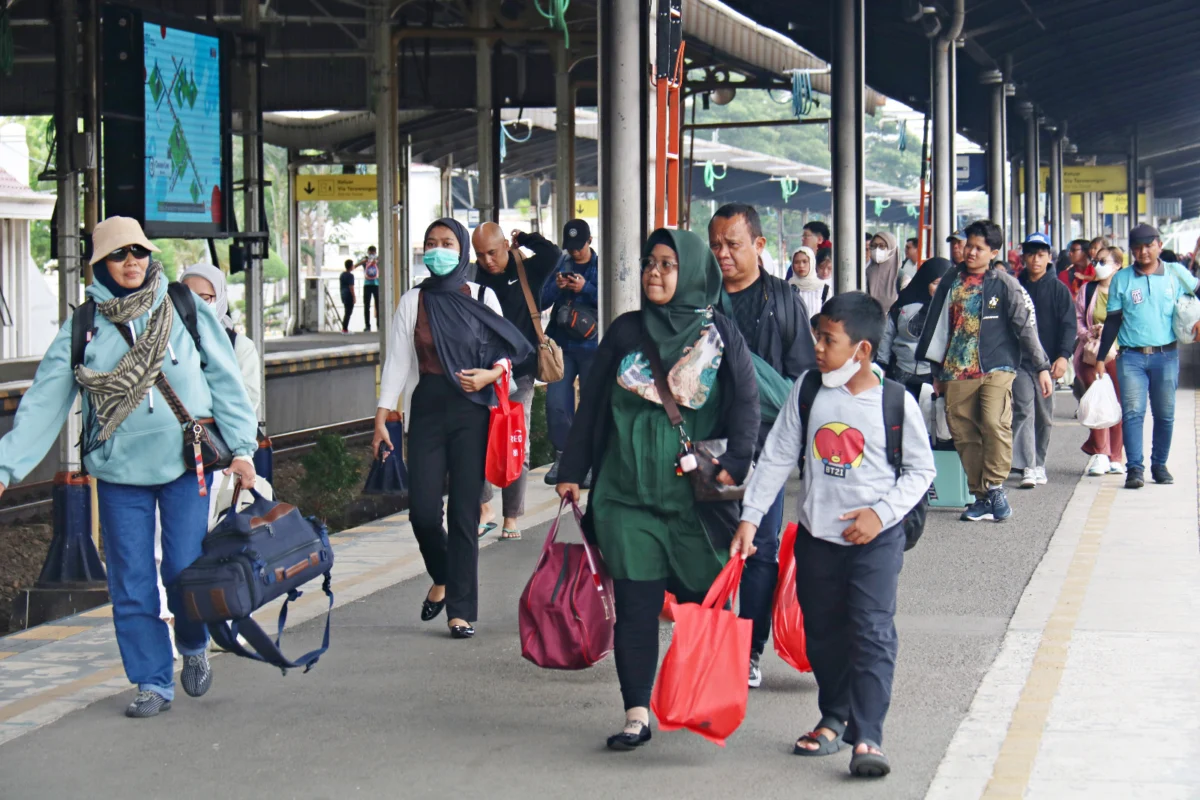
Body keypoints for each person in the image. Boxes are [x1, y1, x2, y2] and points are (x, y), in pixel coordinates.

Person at [0, 216, 258, 718]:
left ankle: (193, 643)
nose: (132, 262)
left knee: (183, 568)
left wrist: (243, 449)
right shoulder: (84, 326)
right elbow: (44, 402)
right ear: (100, 264)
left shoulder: (181, 306)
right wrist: (5, 468)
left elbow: (225, 378)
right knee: (131, 579)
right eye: (119, 255)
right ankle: (152, 680)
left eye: (139, 252)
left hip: (187, 464)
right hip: (119, 470)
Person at [555, 227, 759, 750]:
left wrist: (737, 463)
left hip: (694, 502)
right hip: (626, 498)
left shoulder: (719, 333)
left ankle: (699, 694)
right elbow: (593, 404)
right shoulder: (624, 332)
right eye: (650, 262)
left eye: (668, 264)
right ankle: (636, 713)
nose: (654, 272)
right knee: (637, 605)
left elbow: (746, 403)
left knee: (703, 601)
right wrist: (573, 471)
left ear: (690, 271)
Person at [737, 292, 935, 778]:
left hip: (875, 541)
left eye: (830, 340)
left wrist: (879, 515)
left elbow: (921, 470)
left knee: (870, 632)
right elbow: (779, 455)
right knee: (823, 634)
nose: (818, 348)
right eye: (817, 337)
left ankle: (868, 736)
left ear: (862, 351)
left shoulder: (894, 402)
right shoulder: (808, 390)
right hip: (816, 536)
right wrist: (749, 516)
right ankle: (834, 715)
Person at [373, 218, 533, 637]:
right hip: (427, 407)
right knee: (423, 511)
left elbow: (507, 352)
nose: (437, 249)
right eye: (430, 242)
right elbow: (398, 362)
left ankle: (460, 610)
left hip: (473, 410)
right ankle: (443, 576)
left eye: (446, 242)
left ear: (460, 249)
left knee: (464, 512)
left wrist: (489, 375)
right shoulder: (414, 301)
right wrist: (382, 415)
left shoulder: (482, 296)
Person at [709, 202, 817, 689]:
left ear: (758, 245)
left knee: (761, 547)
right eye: (716, 245)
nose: (723, 254)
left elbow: (799, 380)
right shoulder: (703, 298)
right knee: (707, 544)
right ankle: (710, 642)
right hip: (709, 442)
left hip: (765, 447)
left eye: (733, 244)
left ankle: (750, 649)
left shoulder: (784, 300)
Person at [916, 219, 1052, 523]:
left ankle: (996, 486)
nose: (970, 252)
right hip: (954, 369)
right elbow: (936, 327)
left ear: (993, 252)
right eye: (968, 246)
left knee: (994, 422)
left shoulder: (1004, 284)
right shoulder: (950, 280)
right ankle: (982, 496)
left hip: (996, 366)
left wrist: (1041, 366)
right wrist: (935, 370)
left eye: (979, 248)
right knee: (963, 434)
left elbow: (1024, 326)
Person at [472, 221, 561, 540]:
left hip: (520, 371)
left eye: (492, 253)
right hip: (484, 372)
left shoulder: (528, 269)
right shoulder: (475, 276)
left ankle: (511, 516)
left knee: (514, 443)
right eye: (480, 255)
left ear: (504, 247)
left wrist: (524, 239)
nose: (487, 261)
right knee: (477, 440)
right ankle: (485, 507)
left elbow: (553, 252)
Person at [1096, 224, 1200, 489]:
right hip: (1131, 357)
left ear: (1159, 245)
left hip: (1167, 355)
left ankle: (1159, 464)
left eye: (1148, 245)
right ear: (1131, 250)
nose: (1143, 252)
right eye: (1137, 247)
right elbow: (1113, 320)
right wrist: (1100, 357)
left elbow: (1197, 290)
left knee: (1165, 414)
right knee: (1133, 413)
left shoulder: (1175, 273)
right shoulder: (1122, 279)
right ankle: (1134, 469)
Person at [1011, 233, 1075, 489]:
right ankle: (1028, 465)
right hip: (1020, 362)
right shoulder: (1014, 287)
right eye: (1031, 254)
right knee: (1024, 409)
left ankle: (1039, 462)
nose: (1036, 260)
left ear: (1049, 257)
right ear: (1023, 257)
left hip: (1048, 364)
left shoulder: (1059, 289)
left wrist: (1063, 356)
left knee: (1045, 415)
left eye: (1041, 255)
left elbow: (1069, 325)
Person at [541, 219, 599, 485]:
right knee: (556, 404)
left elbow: (619, 296)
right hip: (561, 347)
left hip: (592, 347)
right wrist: (557, 286)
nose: (575, 252)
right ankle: (563, 456)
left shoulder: (602, 266)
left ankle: (589, 462)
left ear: (589, 241)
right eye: (571, 247)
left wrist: (584, 288)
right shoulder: (561, 264)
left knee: (591, 406)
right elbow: (540, 300)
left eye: (579, 246)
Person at [179, 263, 262, 414]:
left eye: (204, 298)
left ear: (220, 298)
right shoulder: (173, 343)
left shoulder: (239, 346)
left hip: (221, 433)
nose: (195, 305)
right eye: (188, 298)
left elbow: (248, 401)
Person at [1074, 248, 1125, 476]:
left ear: (1117, 265)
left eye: (1103, 261)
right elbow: (1077, 319)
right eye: (1095, 261)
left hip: (1120, 352)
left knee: (1119, 402)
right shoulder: (1088, 290)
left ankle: (1116, 455)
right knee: (1098, 400)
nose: (1098, 265)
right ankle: (1100, 453)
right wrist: (1089, 332)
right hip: (1093, 353)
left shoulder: (1123, 289)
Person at [877, 257, 953, 398]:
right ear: (925, 281)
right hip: (901, 372)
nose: (940, 289)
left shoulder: (953, 309)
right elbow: (887, 335)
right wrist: (882, 365)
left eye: (945, 284)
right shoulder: (903, 304)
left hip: (934, 377)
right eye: (936, 283)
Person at [787, 245, 830, 321]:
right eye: (796, 262)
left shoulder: (824, 289)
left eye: (805, 261)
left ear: (812, 262)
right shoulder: (786, 288)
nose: (801, 266)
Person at [865, 231, 901, 313]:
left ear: (891, 248)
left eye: (881, 246)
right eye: (873, 246)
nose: (877, 250)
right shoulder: (865, 274)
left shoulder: (901, 277)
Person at [355, 245, 380, 332]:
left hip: (376, 284)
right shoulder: (365, 260)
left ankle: (379, 325)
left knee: (378, 305)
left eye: (373, 253)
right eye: (370, 253)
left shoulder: (378, 260)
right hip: (367, 284)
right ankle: (367, 325)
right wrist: (364, 261)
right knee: (367, 306)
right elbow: (355, 266)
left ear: (375, 253)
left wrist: (377, 261)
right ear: (368, 252)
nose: (371, 255)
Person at [339, 259, 356, 334]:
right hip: (349, 295)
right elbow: (351, 287)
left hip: (343, 294)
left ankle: (344, 328)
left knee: (346, 312)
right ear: (351, 266)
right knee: (348, 312)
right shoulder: (351, 276)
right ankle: (345, 329)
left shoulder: (342, 274)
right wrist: (354, 296)